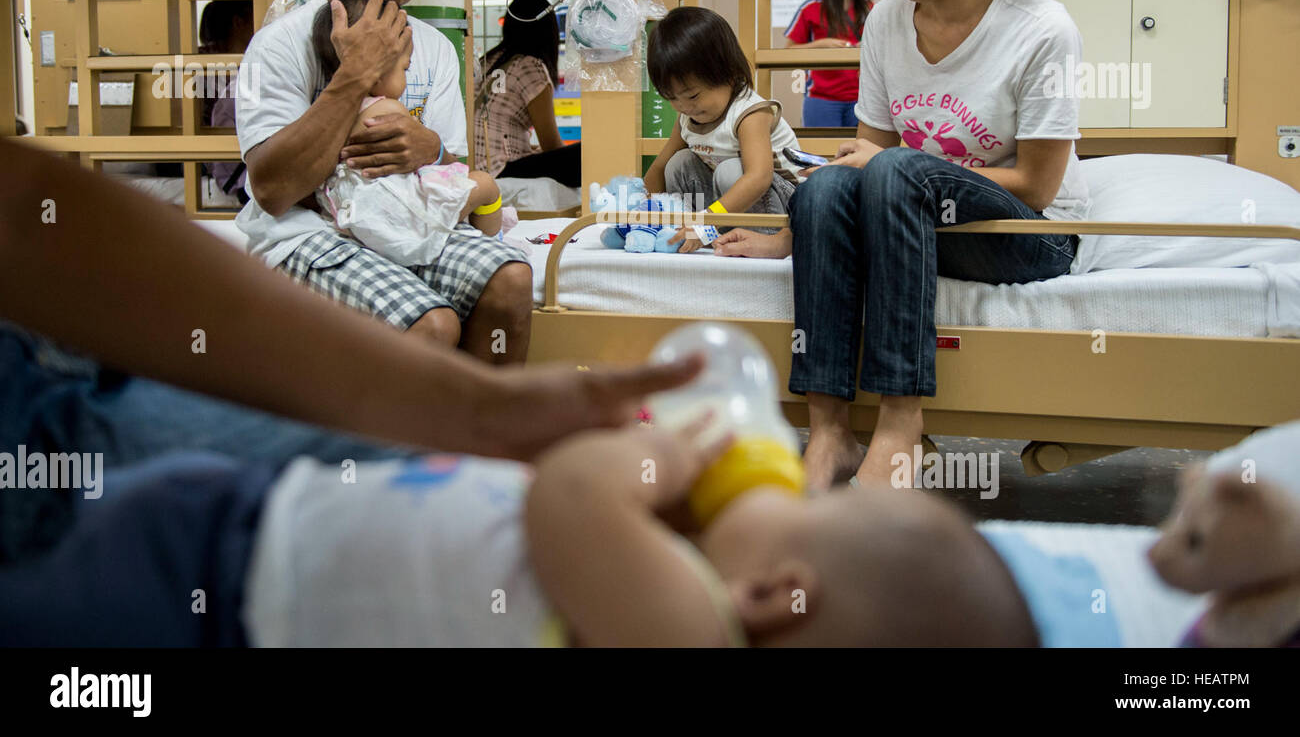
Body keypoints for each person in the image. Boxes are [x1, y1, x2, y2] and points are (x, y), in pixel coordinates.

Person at [0, 137, 702, 562]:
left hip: (58, 388)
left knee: (463, 477)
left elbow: (34, 210)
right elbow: (36, 213)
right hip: (50, 424)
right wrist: (478, 410)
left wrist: (484, 408)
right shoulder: (308, 66)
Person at [712, 0, 1091, 489]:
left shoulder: (1041, 30)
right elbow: (866, 165)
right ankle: (829, 429)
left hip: (1026, 235)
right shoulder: (888, 25)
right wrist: (790, 236)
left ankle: (900, 424)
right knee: (831, 185)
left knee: (890, 169)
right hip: (915, 217)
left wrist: (899, 164)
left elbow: (1036, 185)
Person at [0, 417, 1042, 647]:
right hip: (265, 546)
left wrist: (661, 459)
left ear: (775, 594)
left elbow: (570, 495)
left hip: (220, 565)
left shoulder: (691, 625)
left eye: (820, 503)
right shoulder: (677, 591)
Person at [235, 0, 533, 362]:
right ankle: (393, 441)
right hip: (307, 235)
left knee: (509, 278)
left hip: (403, 226)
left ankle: (482, 435)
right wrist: (356, 75)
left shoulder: (435, 47)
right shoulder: (278, 45)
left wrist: (430, 147)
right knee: (432, 325)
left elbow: (451, 159)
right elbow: (272, 190)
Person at [310, 0, 505, 263]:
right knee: (484, 184)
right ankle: (491, 241)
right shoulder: (388, 110)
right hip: (399, 219)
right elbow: (424, 169)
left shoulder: (329, 111)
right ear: (376, 70)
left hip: (350, 215)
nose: (407, 74)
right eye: (404, 68)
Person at [643, 6, 807, 254]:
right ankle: (687, 231)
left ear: (728, 74)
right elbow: (659, 167)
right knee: (678, 163)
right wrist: (643, 209)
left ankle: (755, 237)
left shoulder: (749, 113)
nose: (684, 107)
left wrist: (705, 221)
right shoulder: (687, 117)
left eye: (693, 95)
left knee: (730, 170)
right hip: (728, 205)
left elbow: (759, 177)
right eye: (672, 98)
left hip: (782, 204)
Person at [473, 0, 579, 188]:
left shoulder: (488, 60)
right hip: (499, 170)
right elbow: (551, 143)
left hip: (476, 165)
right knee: (582, 155)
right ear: (549, 31)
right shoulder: (530, 67)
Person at [783, 0, 870, 127]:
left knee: (865, 148)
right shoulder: (810, 8)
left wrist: (867, 46)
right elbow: (788, 52)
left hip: (864, 97)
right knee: (820, 148)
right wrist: (821, 45)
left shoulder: (870, 7)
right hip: (821, 97)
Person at [199, 0, 255, 203]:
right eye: (254, 17)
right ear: (238, 22)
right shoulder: (205, 64)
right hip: (211, 156)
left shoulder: (247, 57)